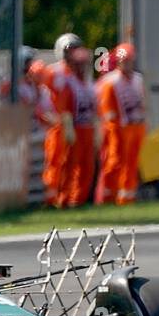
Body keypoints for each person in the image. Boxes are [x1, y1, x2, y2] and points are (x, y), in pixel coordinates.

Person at [44, 33, 96, 208]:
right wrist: (65, 123)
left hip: (84, 124)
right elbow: (55, 100)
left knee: (86, 165)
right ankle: (58, 199)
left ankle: (77, 199)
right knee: (62, 163)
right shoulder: (55, 72)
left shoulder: (84, 77)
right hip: (65, 125)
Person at [95, 42, 147, 204]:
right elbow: (106, 109)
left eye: (130, 61)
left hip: (136, 126)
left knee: (131, 162)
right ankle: (108, 195)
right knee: (114, 162)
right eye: (125, 61)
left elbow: (142, 102)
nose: (128, 64)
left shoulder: (138, 79)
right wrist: (113, 127)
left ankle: (126, 196)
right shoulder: (110, 81)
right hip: (118, 128)